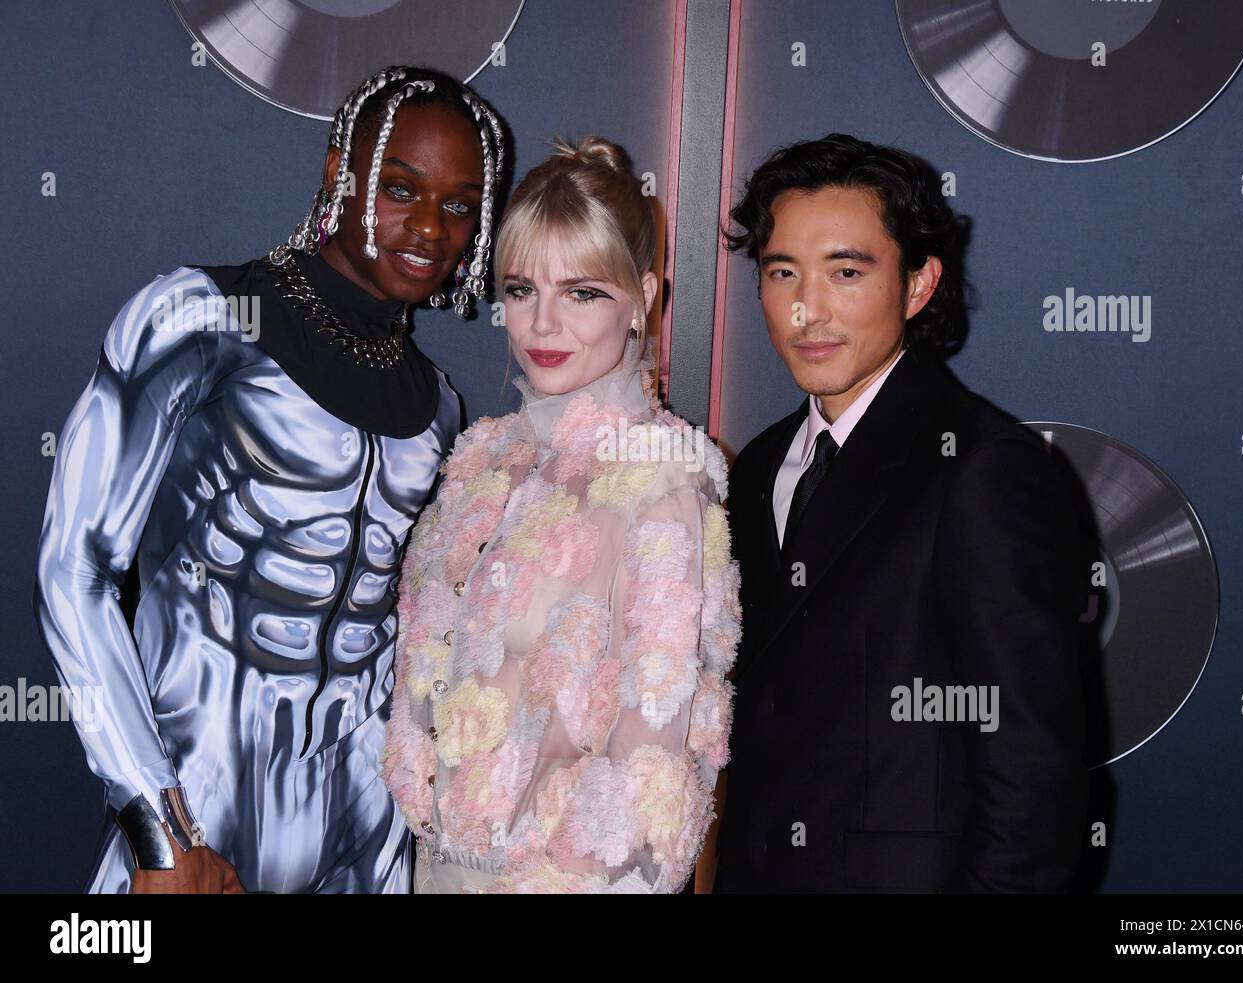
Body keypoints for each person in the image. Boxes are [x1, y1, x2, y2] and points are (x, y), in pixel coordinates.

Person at [33, 65, 506, 893]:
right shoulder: (199, 318)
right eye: (400, 188)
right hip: (197, 812)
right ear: (339, 175)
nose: (430, 226)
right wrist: (155, 825)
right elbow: (75, 568)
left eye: (460, 205)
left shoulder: (440, 408)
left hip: (365, 834)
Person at [712, 134, 1090, 893]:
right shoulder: (754, 467)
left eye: (846, 272)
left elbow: (1035, 776)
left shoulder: (985, 467)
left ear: (918, 286)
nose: (806, 308)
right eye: (782, 272)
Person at [381, 136, 740, 893]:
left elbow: (655, 772)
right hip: (433, 869)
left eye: (582, 292)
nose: (543, 324)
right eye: (520, 289)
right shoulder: (485, 460)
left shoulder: (664, 478)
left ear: (643, 296)